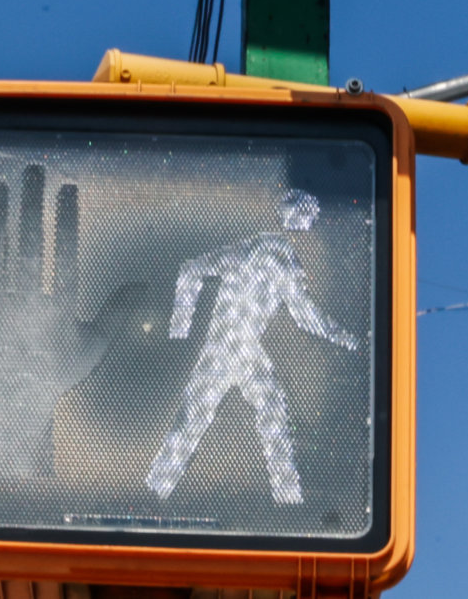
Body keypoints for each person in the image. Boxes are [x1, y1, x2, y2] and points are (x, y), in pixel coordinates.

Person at [145, 188, 356, 506]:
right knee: (245, 411)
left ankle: (156, 488)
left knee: (209, 415)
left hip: (232, 345)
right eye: (309, 216)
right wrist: (345, 338)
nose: (312, 222)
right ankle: (287, 499)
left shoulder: (249, 250)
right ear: (296, 216)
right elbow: (304, 314)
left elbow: (192, 269)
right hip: (235, 345)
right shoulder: (278, 256)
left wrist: (181, 330)